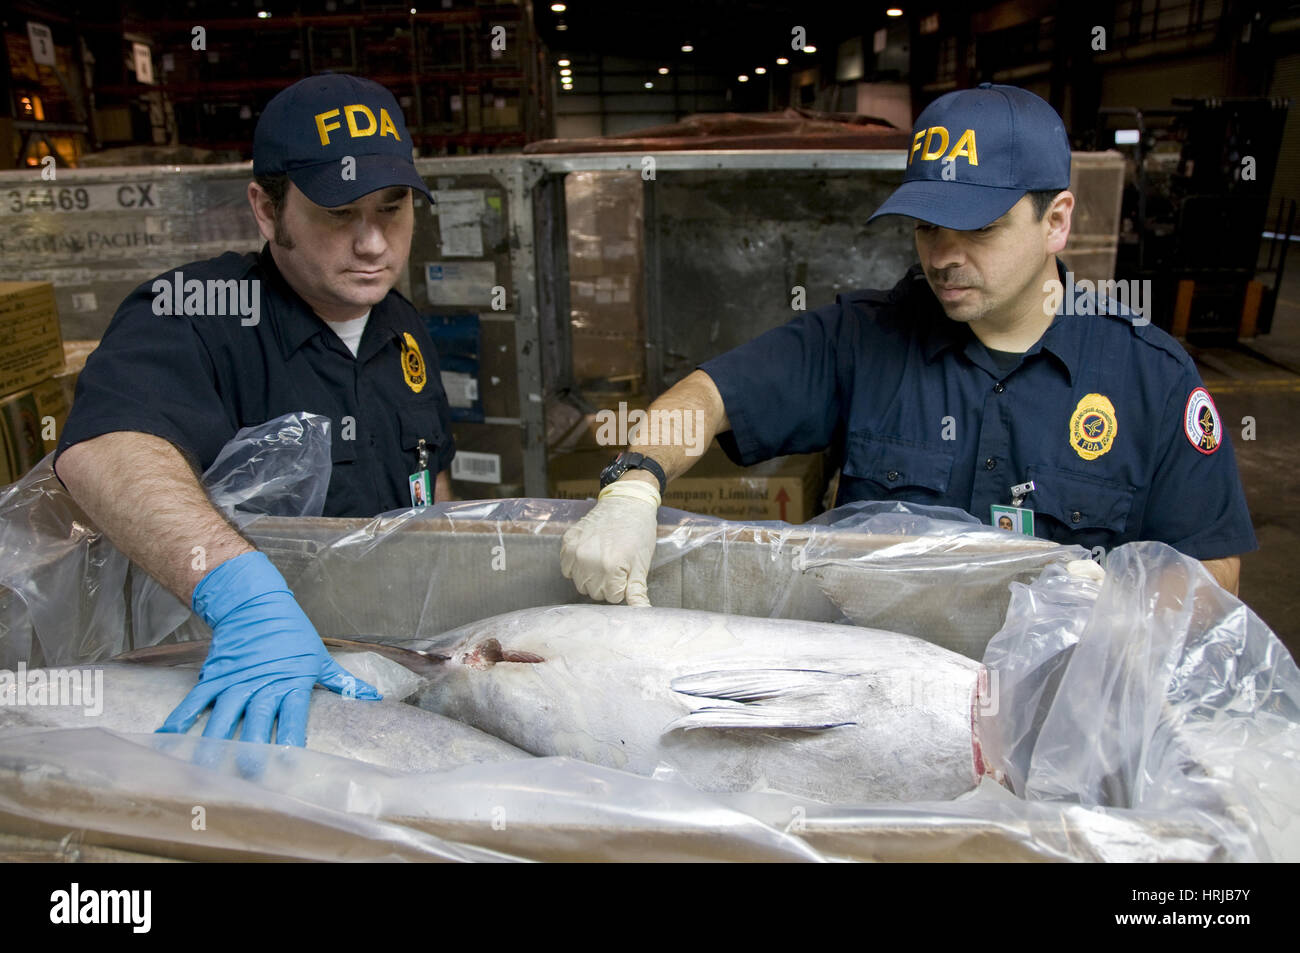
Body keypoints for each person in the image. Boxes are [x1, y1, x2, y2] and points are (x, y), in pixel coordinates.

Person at [560, 83, 1255, 606]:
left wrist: (1107, 606)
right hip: (876, 697)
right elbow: (707, 398)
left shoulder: (1152, 380)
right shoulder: (863, 338)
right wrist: (633, 486)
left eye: (979, 226)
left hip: (1057, 715)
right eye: (927, 226)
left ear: (1057, 220)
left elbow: (1214, 572)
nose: (945, 255)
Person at [53, 74, 457, 746]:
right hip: (238, 686)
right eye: (338, 213)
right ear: (267, 210)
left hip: (391, 682)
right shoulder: (198, 313)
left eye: (391, 209)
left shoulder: (405, 329)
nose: (374, 245)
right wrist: (246, 601)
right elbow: (106, 450)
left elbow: (433, 480)